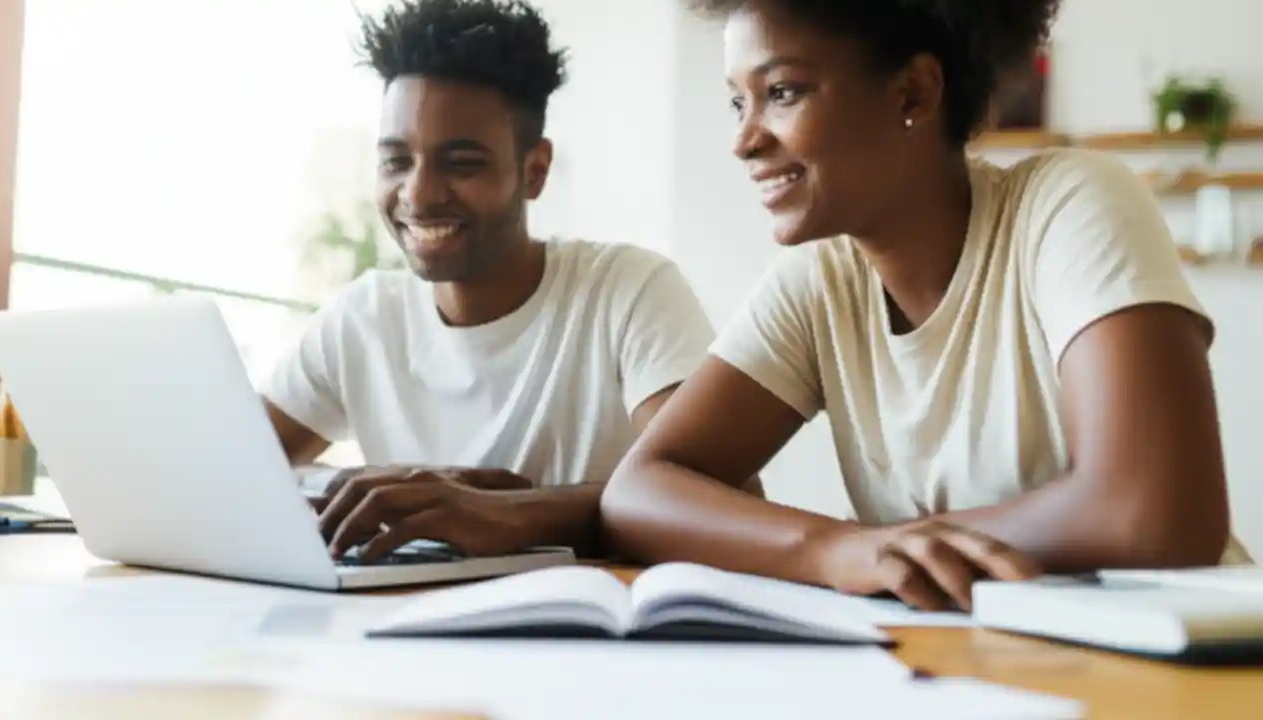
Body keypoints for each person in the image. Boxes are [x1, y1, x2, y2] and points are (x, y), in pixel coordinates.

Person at [602, 0, 1247, 612]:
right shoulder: (817, 282)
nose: (743, 140)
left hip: (1190, 668)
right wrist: (840, 549)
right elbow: (640, 490)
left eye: (782, 93)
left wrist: (885, 546)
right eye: (737, 101)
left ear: (913, 91)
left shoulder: (1068, 205)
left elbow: (1155, 514)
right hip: (980, 668)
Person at [263, 0, 717, 564]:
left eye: (462, 163)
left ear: (535, 171)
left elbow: (718, 498)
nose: (420, 195)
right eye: (396, 161)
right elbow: (233, 468)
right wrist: (354, 488)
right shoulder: (363, 318)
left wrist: (506, 514)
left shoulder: (629, 291)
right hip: (400, 629)